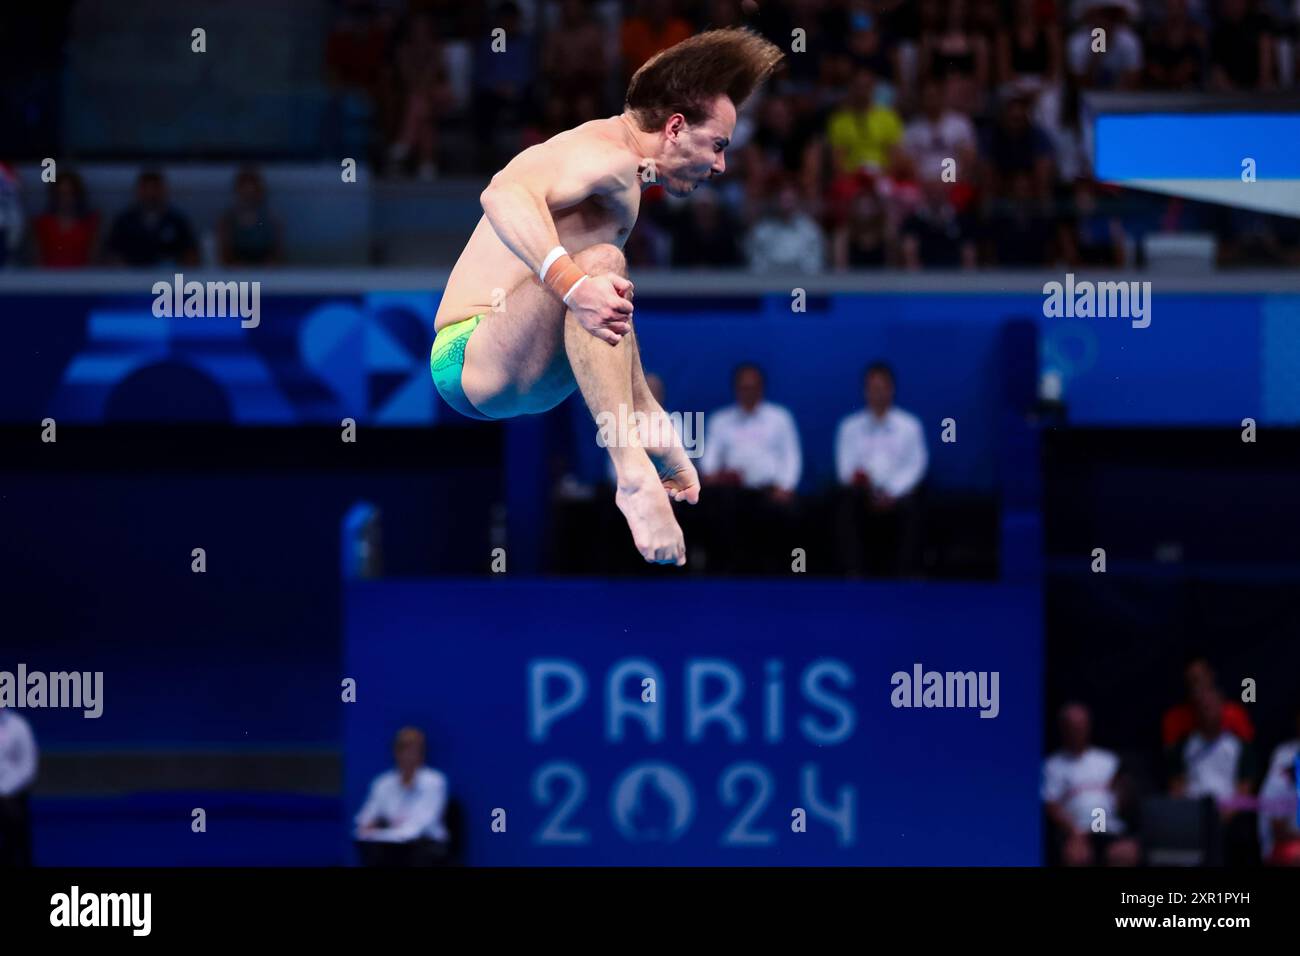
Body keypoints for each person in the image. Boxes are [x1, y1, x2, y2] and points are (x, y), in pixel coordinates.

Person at [429, 28, 783, 567]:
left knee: (606, 280)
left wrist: (643, 401)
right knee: (601, 267)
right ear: (676, 127)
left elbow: (602, 314)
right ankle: (631, 473)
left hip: (527, 375)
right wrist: (571, 283)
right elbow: (500, 193)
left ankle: (641, 416)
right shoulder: (608, 159)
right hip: (469, 356)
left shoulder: (627, 171)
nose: (720, 167)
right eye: (718, 146)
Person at [698, 363, 801, 573]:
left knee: (787, 511)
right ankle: (725, 573)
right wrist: (722, 476)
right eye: (744, 387)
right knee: (718, 505)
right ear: (736, 389)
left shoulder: (779, 418)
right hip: (733, 493)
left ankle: (790, 572)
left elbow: (791, 457)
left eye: (753, 386)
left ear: (761, 388)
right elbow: (708, 464)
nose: (748, 392)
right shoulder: (720, 421)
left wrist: (785, 487)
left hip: (769, 491)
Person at [834, 362, 926, 576]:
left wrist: (891, 493)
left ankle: (906, 576)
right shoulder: (849, 427)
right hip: (863, 493)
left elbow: (916, 466)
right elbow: (845, 468)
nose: (877, 394)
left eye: (881, 388)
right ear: (865, 391)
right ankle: (853, 573)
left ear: (891, 389)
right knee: (845, 503)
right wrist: (869, 490)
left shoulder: (910, 426)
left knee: (914, 505)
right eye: (872, 388)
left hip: (898, 495)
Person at [1042, 702, 1139, 866]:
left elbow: (1123, 800)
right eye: (1073, 726)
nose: (1078, 731)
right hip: (1075, 832)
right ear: (1063, 728)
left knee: (1126, 853)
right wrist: (1073, 831)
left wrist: (1124, 790)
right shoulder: (1052, 765)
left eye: (1081, 726)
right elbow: (1051, 804)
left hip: (1109, 829)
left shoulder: (1107, 760)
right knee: (1076, 856)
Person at [354, 727, 451, 867]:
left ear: (421, 754)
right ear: (395, 752)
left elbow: (419, 827)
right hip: (392, 845)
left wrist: (388, 832)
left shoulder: (434, 782)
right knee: (371, 850)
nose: (407, 755)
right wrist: (367, 823)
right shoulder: (382, 783)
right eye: (402, 749)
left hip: (426, 844)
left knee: (417, 854)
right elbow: (366, 817)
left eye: (413, 750)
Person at [104, 170, 198, 267]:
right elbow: (110, 256)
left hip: (168, 279)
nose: (151, 194)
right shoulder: (123, 222)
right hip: (130, 278)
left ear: (164, 191)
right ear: (138, 191)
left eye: (155, 189)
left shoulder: (178, 221)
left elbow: (191, 257)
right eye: (146, 189)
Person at [33, 170, 100, 268]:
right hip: (47, 279)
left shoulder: (91, 223)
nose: (65, 199)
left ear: (78, 195)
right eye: (61, 194)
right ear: (54, 196)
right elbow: (36, 260)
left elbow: (94, 259)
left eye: (70, 193)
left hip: (85, 278)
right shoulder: (41, 224)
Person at [217, 168, 283, 267]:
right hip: (236, 275)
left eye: (253, 194)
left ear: (260, 193)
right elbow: (224, 257)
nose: (249, 198)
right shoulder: (227, 222)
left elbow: (278, 255)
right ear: (238, 193)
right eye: (245, 195)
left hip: (266, 274)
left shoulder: (272, 220)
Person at [0, 706, 37, 868]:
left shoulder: (18, 726)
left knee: (15, 842)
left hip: (11, 796)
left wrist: (4, 790)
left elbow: (27, 767)